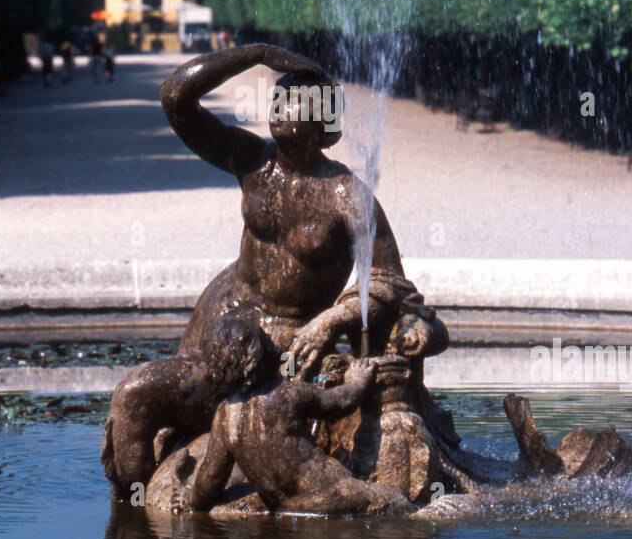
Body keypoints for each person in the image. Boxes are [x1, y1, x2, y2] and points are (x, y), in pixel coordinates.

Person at [160, 45, 405, 359]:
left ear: (324, 127)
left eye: (295, 101)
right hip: (224, 310)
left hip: (289, 337)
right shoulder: (254, 163)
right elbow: (174, 96)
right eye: (280, 96)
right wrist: (257, 54)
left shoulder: (347, 197)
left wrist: (334, 318)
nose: (280, 106)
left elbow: (390, 282)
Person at [191, 353, 413, 515]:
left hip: (286, 507)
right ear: (258, 357)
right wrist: (356, 382)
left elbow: (211, 478)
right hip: (332, 494)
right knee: (399, 503)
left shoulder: (223, 414)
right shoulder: (288, 394)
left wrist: (194, 503)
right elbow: (340, 402)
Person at [101, 308, 275, 500]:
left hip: (264, 352)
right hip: (142, 400)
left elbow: (290, 369)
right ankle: (136, 506)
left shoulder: (277, 358)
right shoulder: (136, 394)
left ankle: (135, 507)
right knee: (133, 488)